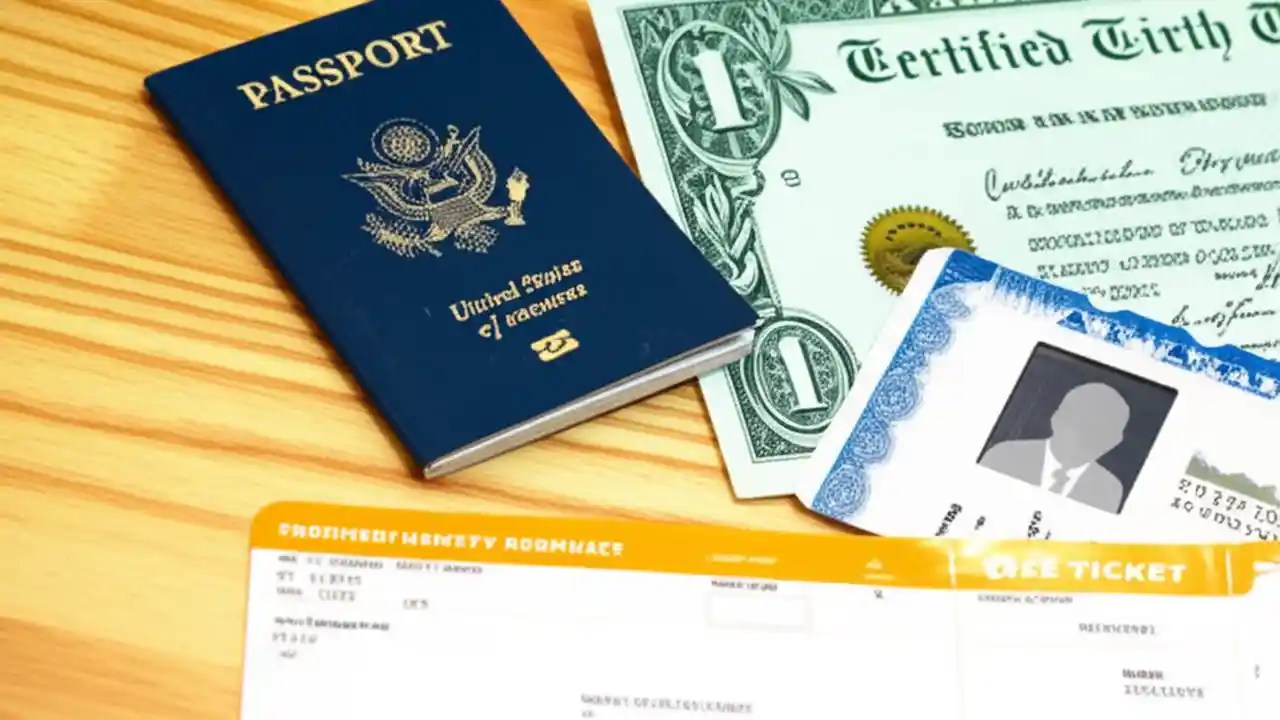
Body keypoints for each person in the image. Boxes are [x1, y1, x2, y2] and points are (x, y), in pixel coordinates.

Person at [979, 382, 1129, 514]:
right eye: (1080, 424)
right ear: (1056, 419)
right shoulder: (1003, 457)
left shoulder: (1108, 490)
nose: (1086, 439)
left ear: (1114, 442)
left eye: (1100, 433)